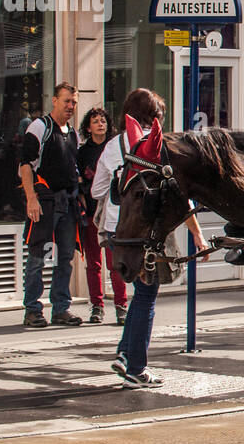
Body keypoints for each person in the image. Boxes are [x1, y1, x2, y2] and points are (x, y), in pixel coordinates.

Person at [93, 88, 209, 388]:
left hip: (114, 228)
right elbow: (180, 197)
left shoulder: (111, 146)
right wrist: (198, 235)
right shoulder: (160, 147)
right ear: (154, 117)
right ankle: (137, 368)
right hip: (145, 230)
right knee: (146, 295)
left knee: (137, 294)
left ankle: (124, 353)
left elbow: (96, 191)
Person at [20, 82, 81, 328]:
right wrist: (31, 199)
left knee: (65, 258)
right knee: (38, 257)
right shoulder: (40, 127)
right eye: (66, 101)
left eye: (74, 102)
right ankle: (33, 309)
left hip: (67, 204)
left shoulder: (73, 133)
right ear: (54, 100)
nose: (70, 106)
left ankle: (61, 308)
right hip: (45, 203)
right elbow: (25, 165)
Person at [77, 106, 128, 325]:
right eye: (96, 121)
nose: (100, 124)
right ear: (88, 127)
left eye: (103, 121)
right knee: (93, 262)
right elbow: (78, 182)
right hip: (90, 211)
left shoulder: (114, 147)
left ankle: (120, 305)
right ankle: (97, 306)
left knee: (114, 262)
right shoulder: (82, 152)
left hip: (111, 212)